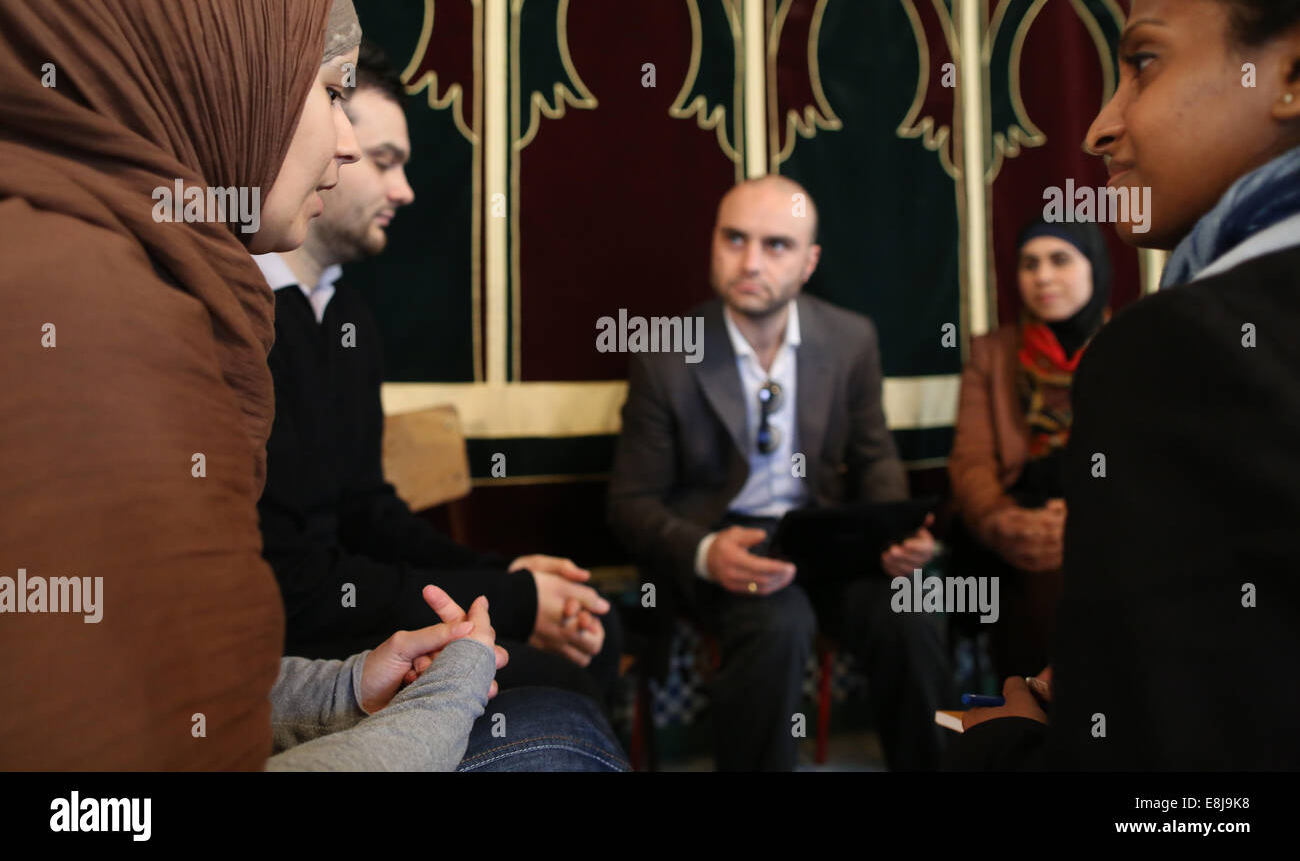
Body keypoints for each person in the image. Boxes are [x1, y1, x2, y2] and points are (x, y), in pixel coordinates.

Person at [0, 0, 623, 772]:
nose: (348, 153)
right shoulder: (98, 298)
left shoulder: (320, 317)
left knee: (573, 676)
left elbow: (356, 517)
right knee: (555, 723)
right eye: (333, 99)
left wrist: (500, 580)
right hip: (313, 641)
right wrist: (497, 614)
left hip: (314, 663)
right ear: (221, 75)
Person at [952, 0, 1300, 770]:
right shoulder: (1005, 354)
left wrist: (1020, 736)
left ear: (1291, 77)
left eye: (1144, 63)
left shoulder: (1175, 350)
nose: (1099, 128)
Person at [255, 38, 622, 704]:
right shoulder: (243, 320)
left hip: (344, 597)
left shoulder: (346, 315)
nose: (405, 190)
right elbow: (295, 582)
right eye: (385, 161)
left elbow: (367, 511)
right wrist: (511, 600)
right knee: (560, 680)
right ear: (314, 144)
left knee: (598, 621)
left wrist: (504, 574)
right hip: (291, 639)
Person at [608, 175, 956, 771]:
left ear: (808, 262)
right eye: (735, 239)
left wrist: (893, 534)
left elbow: (875, 459)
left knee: (913, 608)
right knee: (780, 622)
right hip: (725, 544)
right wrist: (705, 551)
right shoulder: (666, 357)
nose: (750, 261)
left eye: (776, 246)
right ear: (713, 243)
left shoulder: (850, 339)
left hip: (823, 535)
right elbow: (630, 504)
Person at [947, 218, 1112, 680]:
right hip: (1016, 522)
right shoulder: (993, 354)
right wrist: (1002, 521)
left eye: (1059, 260)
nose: (1042, 277)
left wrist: (1081, 521)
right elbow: (971, 460)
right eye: (1029, 264)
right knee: (1035, 578)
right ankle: (1033, 733)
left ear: (1094, 268)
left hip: (1106, 523)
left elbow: (1146, 464)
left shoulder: (1127, 347)